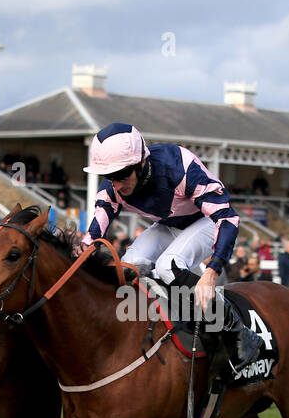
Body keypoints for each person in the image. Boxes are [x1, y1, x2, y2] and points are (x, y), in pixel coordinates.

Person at [82, 122, 260, 367]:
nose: (117, 184)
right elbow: (91, 237)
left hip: (208, 222)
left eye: (122, 174)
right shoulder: (112, 190)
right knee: (128, 267)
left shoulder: (179, 167)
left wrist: (211, 272)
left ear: (141, 163)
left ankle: (236, 330)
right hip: (169, 225)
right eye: (109, 177)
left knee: (168, 265)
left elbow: (227, 219)